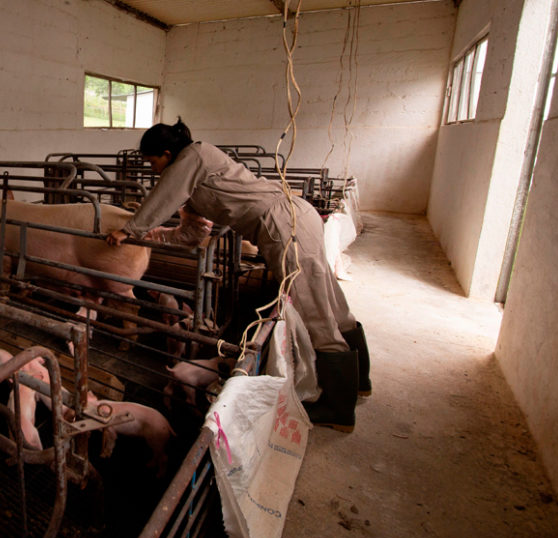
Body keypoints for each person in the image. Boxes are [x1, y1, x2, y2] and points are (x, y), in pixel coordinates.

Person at [106, 119, 370, 432]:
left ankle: (338, 410)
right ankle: (359, 383)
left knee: (315, 313)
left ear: (167, 153)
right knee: (332, 303)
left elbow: (161, 198)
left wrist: (129, 230)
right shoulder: (195, 169)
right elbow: (193, 232)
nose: (153, 170)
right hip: (294, 217)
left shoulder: (190, 157)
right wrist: (155, 236)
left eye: (153, 162)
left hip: (282, 225)